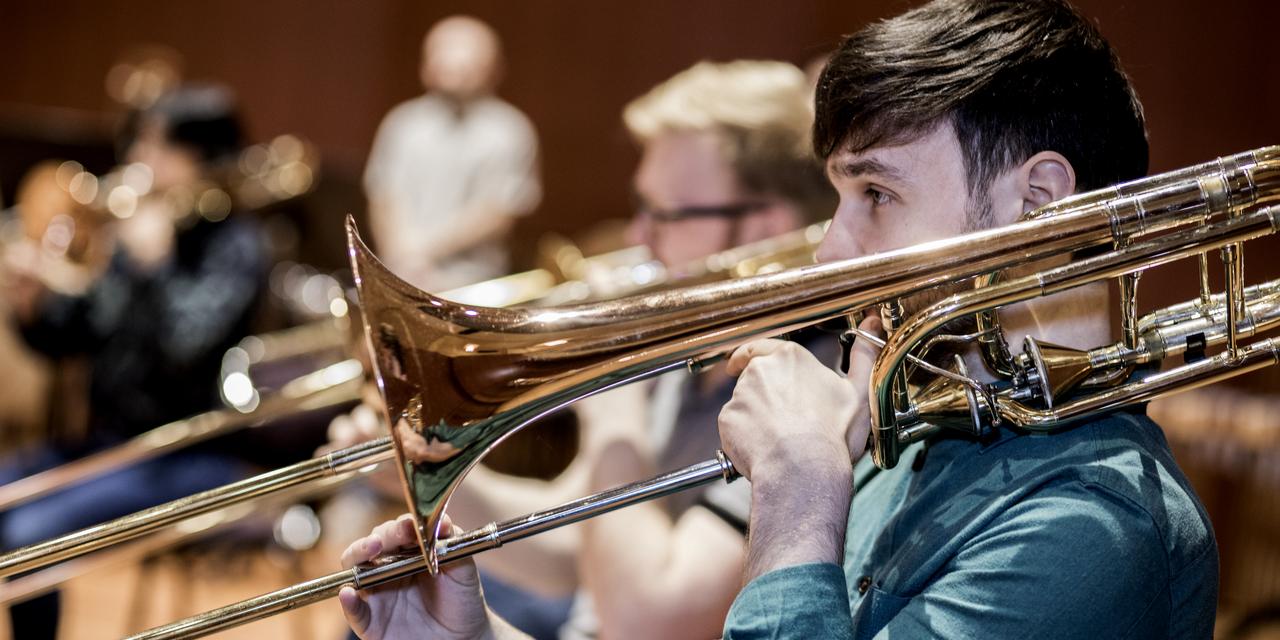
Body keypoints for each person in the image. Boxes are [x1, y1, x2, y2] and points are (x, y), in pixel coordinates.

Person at [340, 0, 1218, 637]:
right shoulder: (916, 432)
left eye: (876, 193)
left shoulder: (1093, 527)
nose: (833, 254)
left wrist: (798, 500)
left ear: (1038, 205)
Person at [334, 59, 835, 640]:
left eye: (664, 214)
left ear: (763, 229)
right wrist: (426, 473)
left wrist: (613, 398)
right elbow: (574, 549)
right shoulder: (693, 353)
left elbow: (650, 616)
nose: (636, 236)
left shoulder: (805, 394)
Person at [0, 85, 266, 640]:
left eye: (154, 148)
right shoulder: (140, 231)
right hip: (112, 446)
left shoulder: (238, 247)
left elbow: (183, 351)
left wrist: (156, 267)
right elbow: (88, 330)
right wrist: (34, 307)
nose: (136, 163)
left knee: (27, 537)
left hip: (188, 452)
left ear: (199, 159)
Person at [363, 15, 540, 292]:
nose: (455, 72)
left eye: (467, 64)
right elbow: (383, 196)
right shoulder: (402, 123)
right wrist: (400, 258)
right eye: (444, 61)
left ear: (493, 69)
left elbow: (499, 211)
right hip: (398, 271)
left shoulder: (510, 130)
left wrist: (423, 252)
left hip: (471, 281)